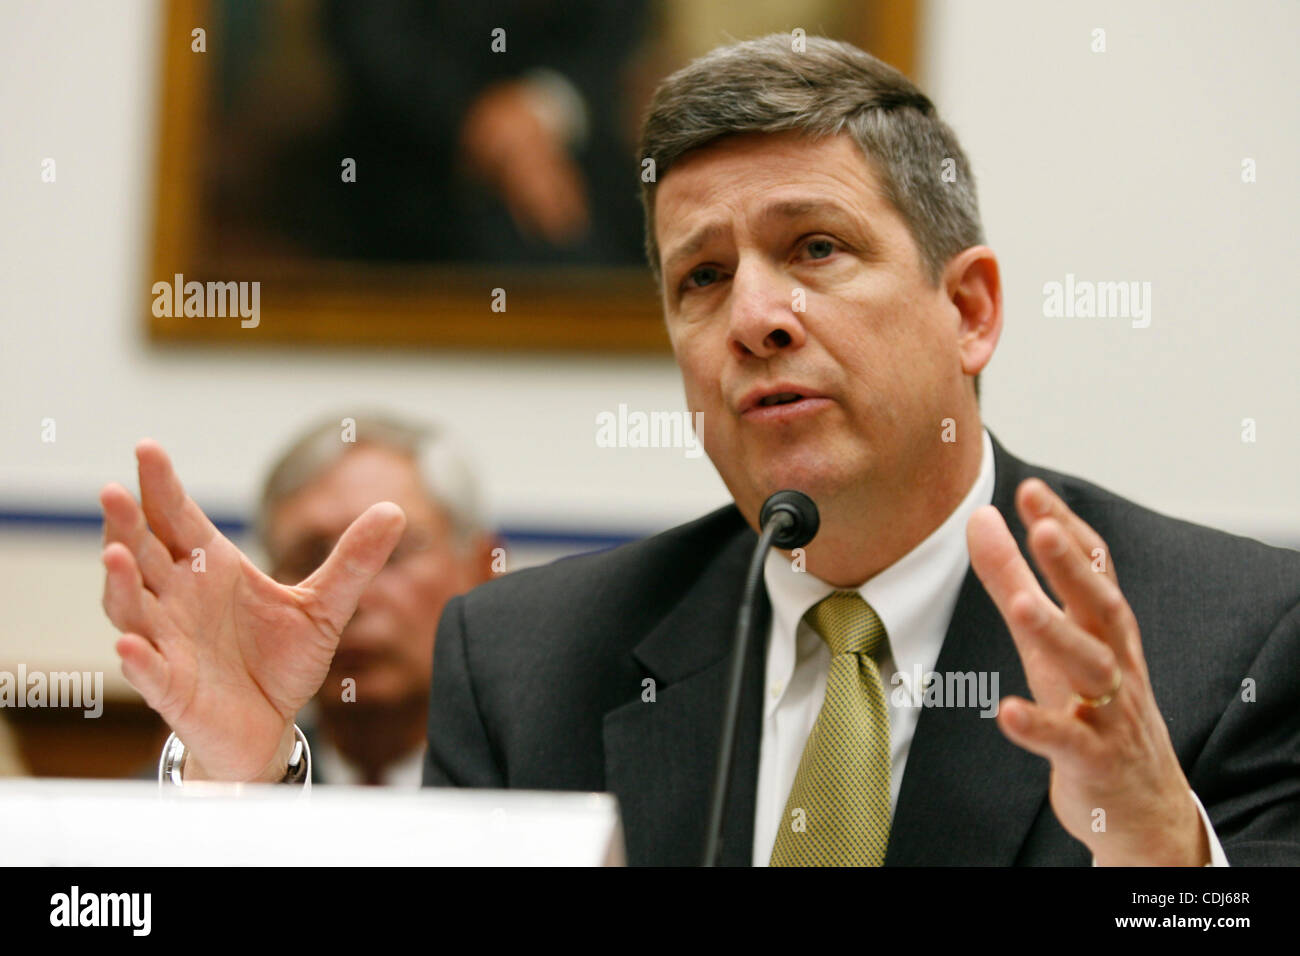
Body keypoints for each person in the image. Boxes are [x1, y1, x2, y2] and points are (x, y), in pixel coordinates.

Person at [99, 35, 1299, 865]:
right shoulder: (527, 662)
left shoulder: (1223, 637)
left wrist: (1161, 862)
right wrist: (244, 786)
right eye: (702, 276)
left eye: (817, 247)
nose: (752, 317)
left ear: (970, 308)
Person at [256, 414, 498, 785]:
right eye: (310, 559)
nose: (352, 601)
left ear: (482, 571)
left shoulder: (553, 802)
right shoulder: (195, 804)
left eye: (392, 554)